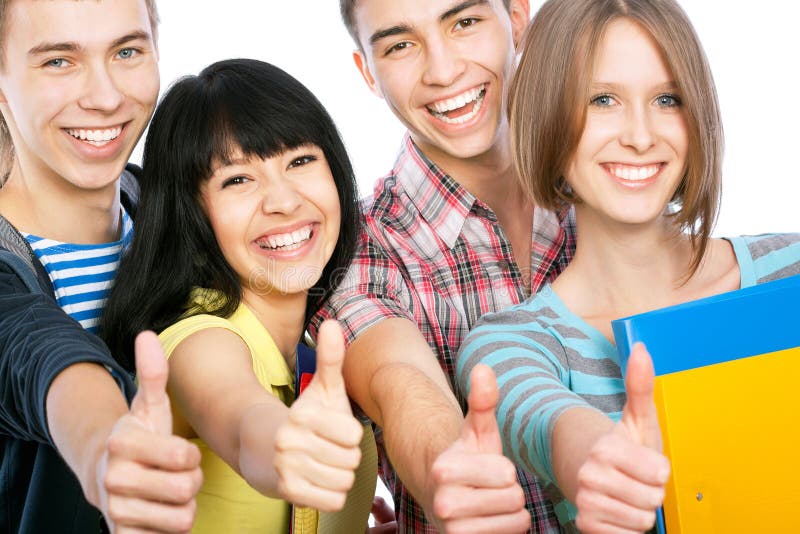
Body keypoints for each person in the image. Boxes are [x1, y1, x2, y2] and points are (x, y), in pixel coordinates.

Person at [457, 0, 800, 532]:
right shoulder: (512, 344)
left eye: (667, 99)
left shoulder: (792, 268)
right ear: (547, 115)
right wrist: (599, 463)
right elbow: (552, 427)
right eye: (603, 100)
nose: (640, 136)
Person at [312, 1, 577, 532]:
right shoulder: (356, 250)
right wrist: (450, 476)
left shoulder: (606, 187)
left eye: (465, 22)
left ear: (517, 17)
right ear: (368, 71)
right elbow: (397, 380)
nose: (443, 70)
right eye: (400, 45)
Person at [102, 58, 375, 533]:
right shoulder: (197, 340)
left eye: (300, 161)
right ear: (191, 212)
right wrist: (282, 446)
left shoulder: (315, 350)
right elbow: (242, 417)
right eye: (238, 180)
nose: (284, 201)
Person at [0, 0, 203, 532]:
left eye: (127, 51)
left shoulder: (187, 214)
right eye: (58, 61)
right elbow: (37, 354)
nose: (106, 97)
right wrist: (106, 451)